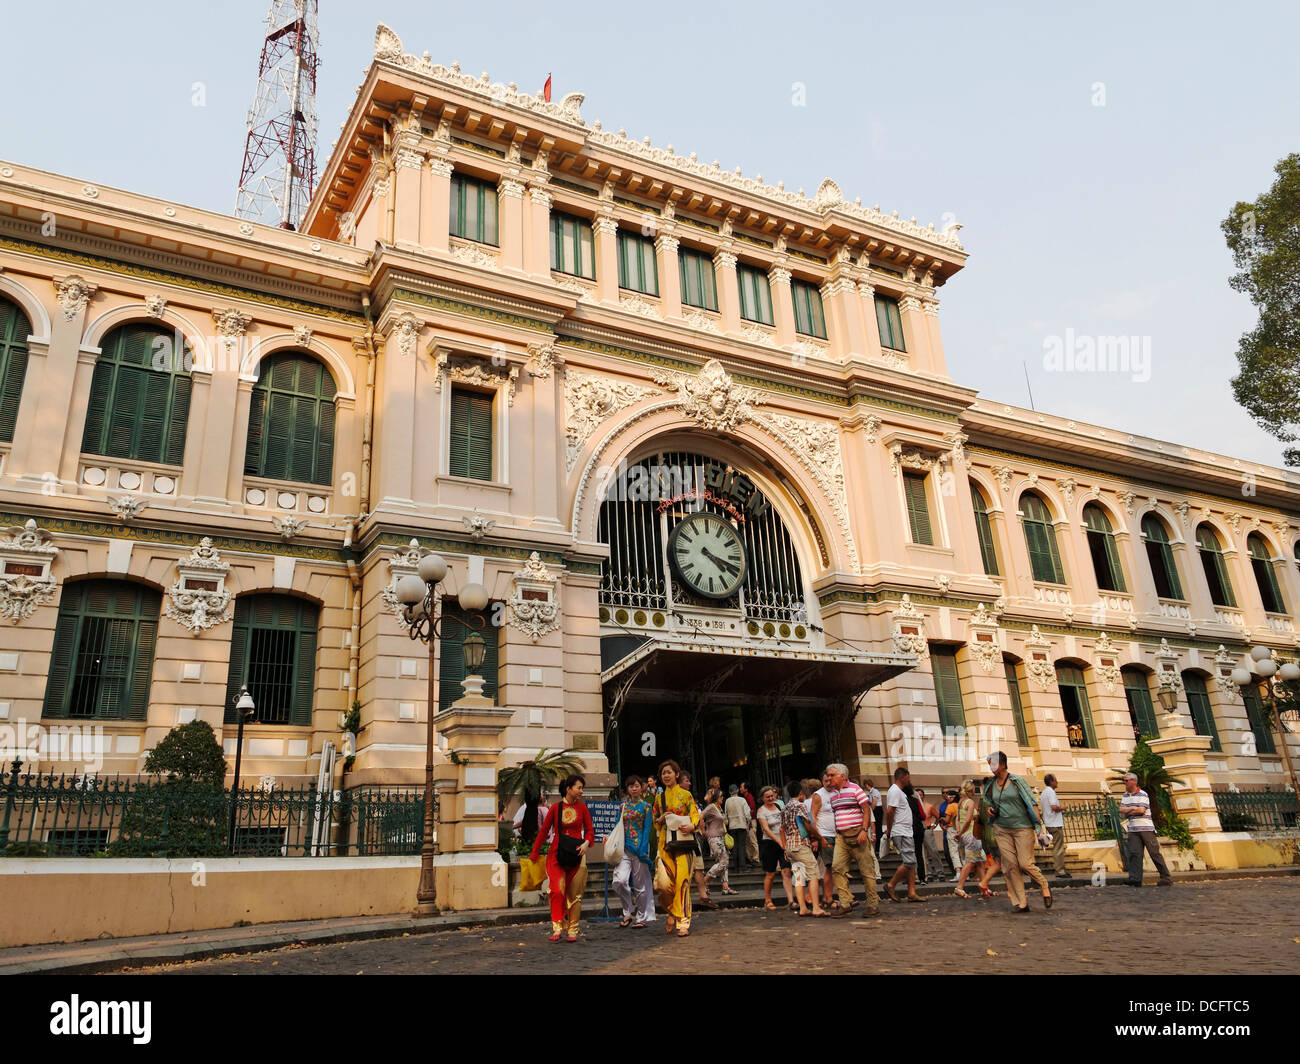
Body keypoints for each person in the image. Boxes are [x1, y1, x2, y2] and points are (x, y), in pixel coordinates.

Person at [983, 751, 1052, 912]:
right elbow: (988, 802)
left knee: (1025, 863)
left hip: (1022, 827)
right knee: (1010, 866)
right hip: (1001, 828)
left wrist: (1039, 827)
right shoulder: (991, 785)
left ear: (1003, 764)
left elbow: (1031, 802)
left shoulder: (1016, 781)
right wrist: (990, 810)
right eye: (990, 764)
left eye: (994, 763)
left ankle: (1044, 885)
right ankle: (1021, 902)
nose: (992, 767)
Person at [530, 773, 594, 943]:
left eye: (582, 788)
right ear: (568, 789)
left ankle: (573, 929)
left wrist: (587, 843)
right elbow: (544, 831)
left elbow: (589, 830)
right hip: (557, 853)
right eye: (579, 787)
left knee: (575, 895)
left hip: (577, 855)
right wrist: (534, 854)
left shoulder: (583, 808)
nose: (581, 791)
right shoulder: (555, 808)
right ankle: (557, 926)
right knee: (556, 890)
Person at [821, 763, 881, 916]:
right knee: (837, 868)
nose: (829, 778)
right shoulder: (833, 794)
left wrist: (864, 830)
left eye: (832, 775)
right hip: (841, 836)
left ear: (842, 776)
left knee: (867, 871)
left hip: (858, 834)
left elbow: (866, 809)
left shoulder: (855, 789)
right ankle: (845, 903)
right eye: (828, 775)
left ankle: (872, 905)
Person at [653, 760, 701, 936]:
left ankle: (683, 922)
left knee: (683, 883)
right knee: (664, 884)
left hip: (684, 844)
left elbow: (695, 815)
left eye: (669, 772)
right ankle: (672, 910)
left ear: (677, 775)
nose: (666, 775)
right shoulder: (659, 798)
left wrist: (691, 826)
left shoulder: (686, 795)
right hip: (665, 845)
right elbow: (654, 822)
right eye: (663, 773)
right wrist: (661, 819)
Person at [612, 774, 655, 928]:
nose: (634, 788)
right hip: (624, 848)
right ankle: (628, 911)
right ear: (628, 789)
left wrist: (643, 849)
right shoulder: (622, 807)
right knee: (620, 881)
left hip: (640, 849)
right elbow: (618, 827)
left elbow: (647, 828)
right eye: (631, 786)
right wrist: (610, 839)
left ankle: (641, 918)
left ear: (641, 787)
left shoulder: (646, 807)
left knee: (640, 886)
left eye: (637, 785)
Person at [780, 780, 825, 916]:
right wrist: (819, 837)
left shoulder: (784, 808)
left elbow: (781, 829)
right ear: (800, 793)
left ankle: (802, 908)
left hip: (790, 846)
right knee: (813, 875)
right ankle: (816, 908)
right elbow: (808, 825)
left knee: (799, 877)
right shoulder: (800, 806)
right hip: (801, 844)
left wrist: (784, 847)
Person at [1120, 772, 1172, 888]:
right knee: (1134, 854)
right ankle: (1135, 879)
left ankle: (1165, 877)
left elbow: (1141, 810)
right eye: (1124, 780)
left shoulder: (1143, 794)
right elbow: (1121, 809)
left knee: (1154, 853)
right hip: (1133, 829)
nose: (1125, 783)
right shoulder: (1125, 795)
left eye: (1126, 780)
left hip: (1146, 828)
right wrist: (1134, 808)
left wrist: (1130, 809)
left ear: (1134, 781)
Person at [884, 766, 921, 902]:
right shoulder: (894, 791)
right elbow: (889, 811)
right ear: (903, 777)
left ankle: (911, 892)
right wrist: (889, 829)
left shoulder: (899, 792)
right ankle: (891, 885)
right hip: (901, 831)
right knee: (909, 861)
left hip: (905, 830)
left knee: (912, 862)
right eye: (908, 777)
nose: (909, 780)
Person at [756, 785, 794, 911]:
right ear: (762, 798)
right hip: (769, 844)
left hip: (783, 842)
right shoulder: (761, 811)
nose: (771, 798)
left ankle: (791, 900)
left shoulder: (779, 806)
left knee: (786, 871)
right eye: (767, 797)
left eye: (772, 796)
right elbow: (766, 829)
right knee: (770, 873)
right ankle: (767, 900)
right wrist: (779, 841)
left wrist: (786, 839)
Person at [698, 788, 738, 898]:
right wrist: (703, 831)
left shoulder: (719, 808)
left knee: (723, 861)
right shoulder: (711, 807)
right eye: (721, 796)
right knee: (723, 861)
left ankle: (725, 887)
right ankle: (705, 880)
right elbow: (700, 817)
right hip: (714, 837)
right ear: (716, 797)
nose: (722, 798)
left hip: (721, 837)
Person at [952, 780, 986, 899]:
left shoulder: (961, 802)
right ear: (971, 791)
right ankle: (959, 887)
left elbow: (958, 819)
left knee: (979, 862)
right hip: (971, 834)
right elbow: (967, 820)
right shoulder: (970, 802)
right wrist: (960, 832)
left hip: (965, 835)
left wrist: (959, 832)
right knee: (970, 862)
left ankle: (984, 887)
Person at [809, 772, 838, 909]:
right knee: (829, 866)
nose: (828, 783)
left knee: (837, 867)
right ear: (822, 781)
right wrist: (815, 837)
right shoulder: (819, 795)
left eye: (830, 780)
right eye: (825, 780)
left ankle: (831, 896)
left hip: (838, 834)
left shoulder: (837, 792)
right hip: (824, 835)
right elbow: (812, 816)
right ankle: (828, 898)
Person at [1038, 774, 1069, 879]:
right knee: (1058, 847)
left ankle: (1061, 869)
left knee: (1057, 846)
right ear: (1051, 781)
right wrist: (1062, 808)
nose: (1057, 782)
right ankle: (1060, 871)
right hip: (1055, 823)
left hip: (1050, 822)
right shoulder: (1050, 792)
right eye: (1056, 780)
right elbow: (1054, 807)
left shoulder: (1044, 793)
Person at [916, 788, 945, 883]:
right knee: (923, 854)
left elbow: (938, 816)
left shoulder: (929, 806)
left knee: (933, 851)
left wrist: (934, 825)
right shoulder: (914, 806)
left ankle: (940, 873)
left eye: (920, 794)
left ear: (923, 796)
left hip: (927, 830)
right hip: (917, 831)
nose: (919, 796)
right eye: (917, 795)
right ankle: (928, 874)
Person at [724, 783, 752, 873]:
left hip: (732, 826)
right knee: (742, 846)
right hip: (742, 825)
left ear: (729, 792)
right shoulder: (742, 800)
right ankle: (742, 867)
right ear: (737, 791)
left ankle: (736, 867)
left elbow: (726, 814)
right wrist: (748, 821)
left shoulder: (727, 801)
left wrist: (727, 823)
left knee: (734, 847)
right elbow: (747, 813)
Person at [943, 790, 964, 879]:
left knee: (953, 850)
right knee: (962, 851)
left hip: (952, 829)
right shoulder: (960, 805)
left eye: (949, 796)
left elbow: (947, 820)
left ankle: (958, 872)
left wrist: (942, 819)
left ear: (952, 797)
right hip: (961, 829)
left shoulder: (950, 806)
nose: (947, 798)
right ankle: (965, 873)